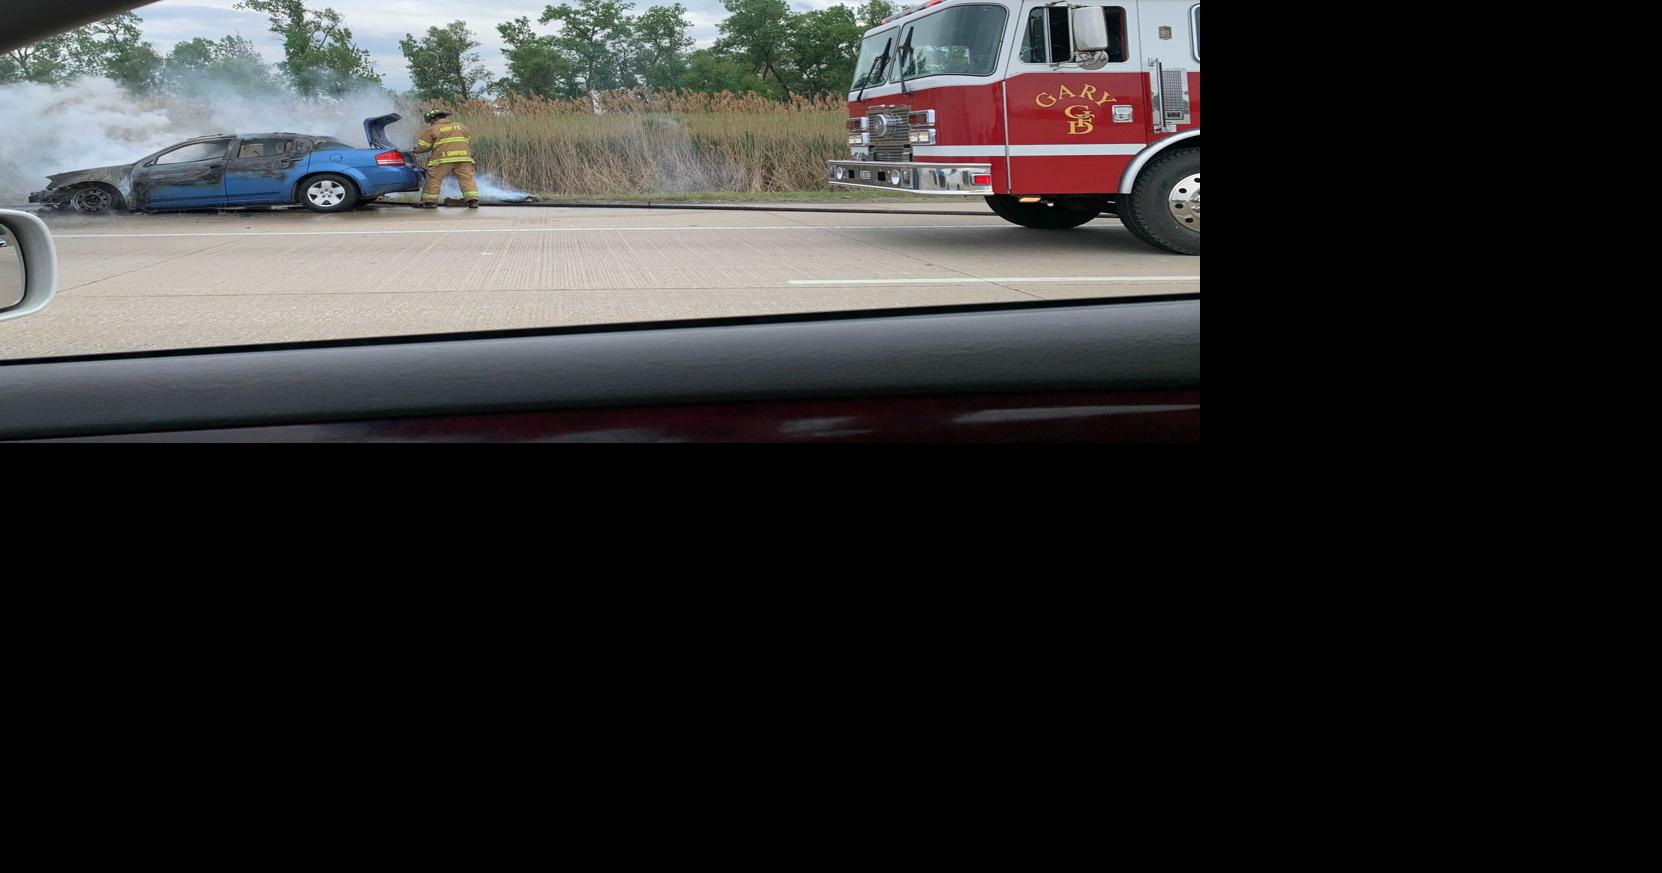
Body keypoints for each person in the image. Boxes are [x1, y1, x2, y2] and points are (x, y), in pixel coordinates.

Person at [411, 109, 479, 208]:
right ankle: (473, 201)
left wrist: (415, 150)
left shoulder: (433, 129)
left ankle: (430, 202)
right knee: (467, 179)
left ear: (435, 118)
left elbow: (424, 146)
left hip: (442, 159)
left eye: (431, 121)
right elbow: (467, 141)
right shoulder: (461, 126)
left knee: (434, 179)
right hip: (463, 158)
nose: (431, 123)